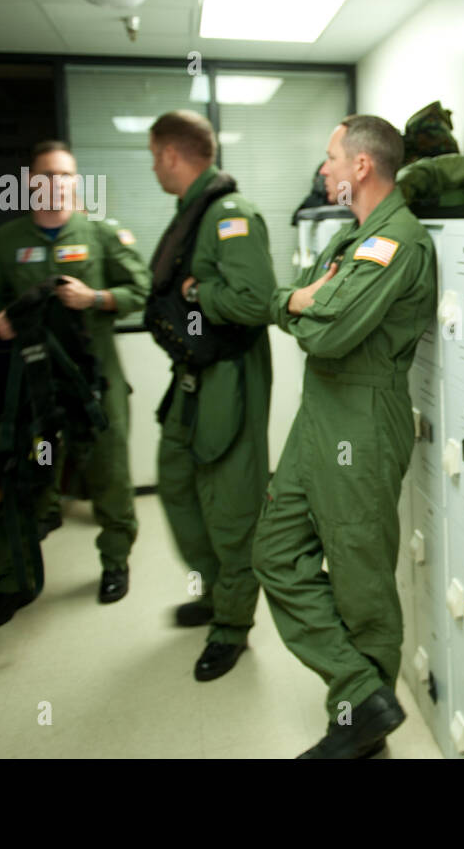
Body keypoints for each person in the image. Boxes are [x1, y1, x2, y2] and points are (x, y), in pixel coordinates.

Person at [253, 114, 437, 758]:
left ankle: (360, 726)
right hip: (321, 413)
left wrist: (299, 306)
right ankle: (363, 693)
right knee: (275, 553)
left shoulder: (398, 243)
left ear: (362, 165)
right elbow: (304, 307)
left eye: (332, 157)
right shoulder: (354, 239)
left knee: (360, 575)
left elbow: (325, 332)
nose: (324, 169)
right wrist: (299, 303)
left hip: (360, 416)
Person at [0, 140, 150, 627]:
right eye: (47, 175)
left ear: (77, 182)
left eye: (66, 176)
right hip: (34, 386)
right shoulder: (6, 241)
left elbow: (142, 290)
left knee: (109, 475)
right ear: (31, 182)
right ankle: (14, 581)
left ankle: (115, 561)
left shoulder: (100, 234)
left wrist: (95, 297)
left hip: (96, 384)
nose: (57, 184)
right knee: (26, 475)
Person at [147, 110, 274, 681]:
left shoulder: (229, 215)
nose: (153, 167)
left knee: (232, 506)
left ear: (172, 154)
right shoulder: (191, 214)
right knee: (175, 479)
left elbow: (255, 301)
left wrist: (200, 291)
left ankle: (232, 626)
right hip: (192, 378)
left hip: (231, 377)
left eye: (154, 156)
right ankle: (216, 590)